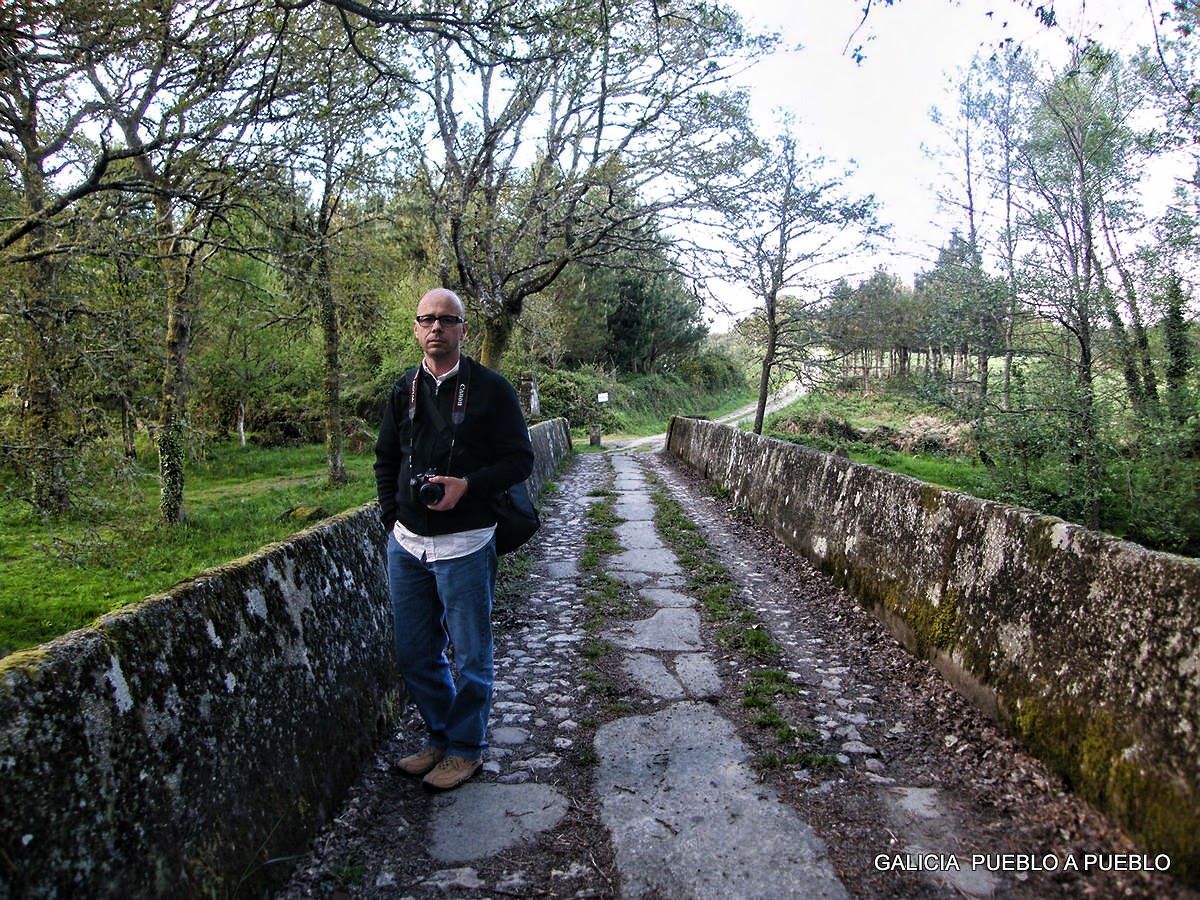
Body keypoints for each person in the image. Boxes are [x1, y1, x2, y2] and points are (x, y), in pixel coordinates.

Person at [374, 288, 534, 791]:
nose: (436, 328)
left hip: (466, 541)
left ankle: (466, 748)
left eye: (447, 319)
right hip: (407, 543)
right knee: (415, 653)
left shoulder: (491, 388)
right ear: (416, 329)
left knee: (470, 655)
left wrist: (469, 485)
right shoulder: (403, 389)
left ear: (464, 329)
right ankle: (442, 735)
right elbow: (386, 458)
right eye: (427, 319)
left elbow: (520, 460)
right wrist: (391, 516)